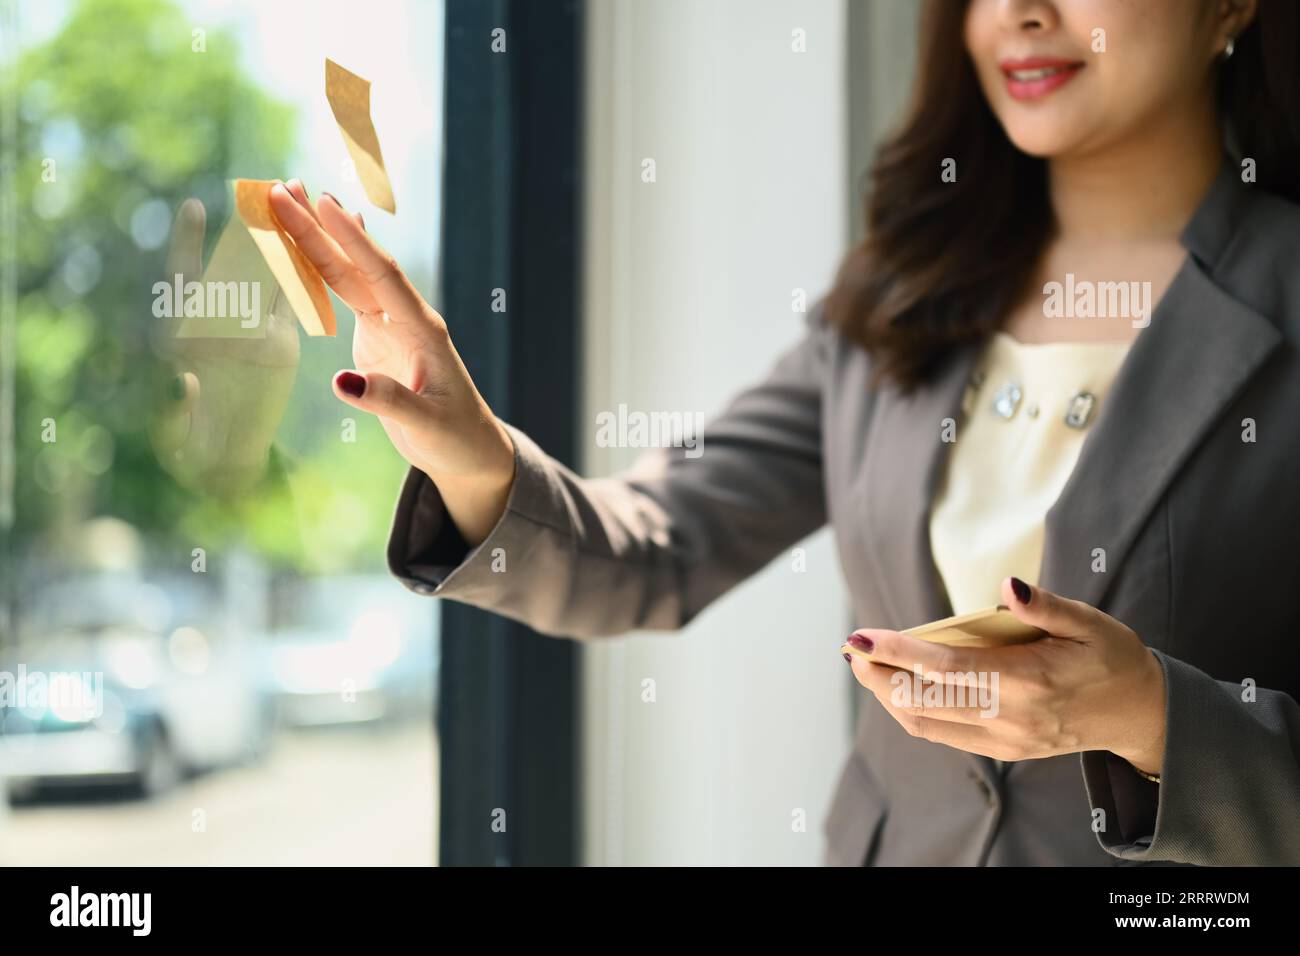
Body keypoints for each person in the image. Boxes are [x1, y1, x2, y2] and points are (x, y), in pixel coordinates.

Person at [267, 0, 1300, 865]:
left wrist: (1150, 717)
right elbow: (656, 547)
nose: (1020, 13)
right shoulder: (902, 295)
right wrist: (472, 455)